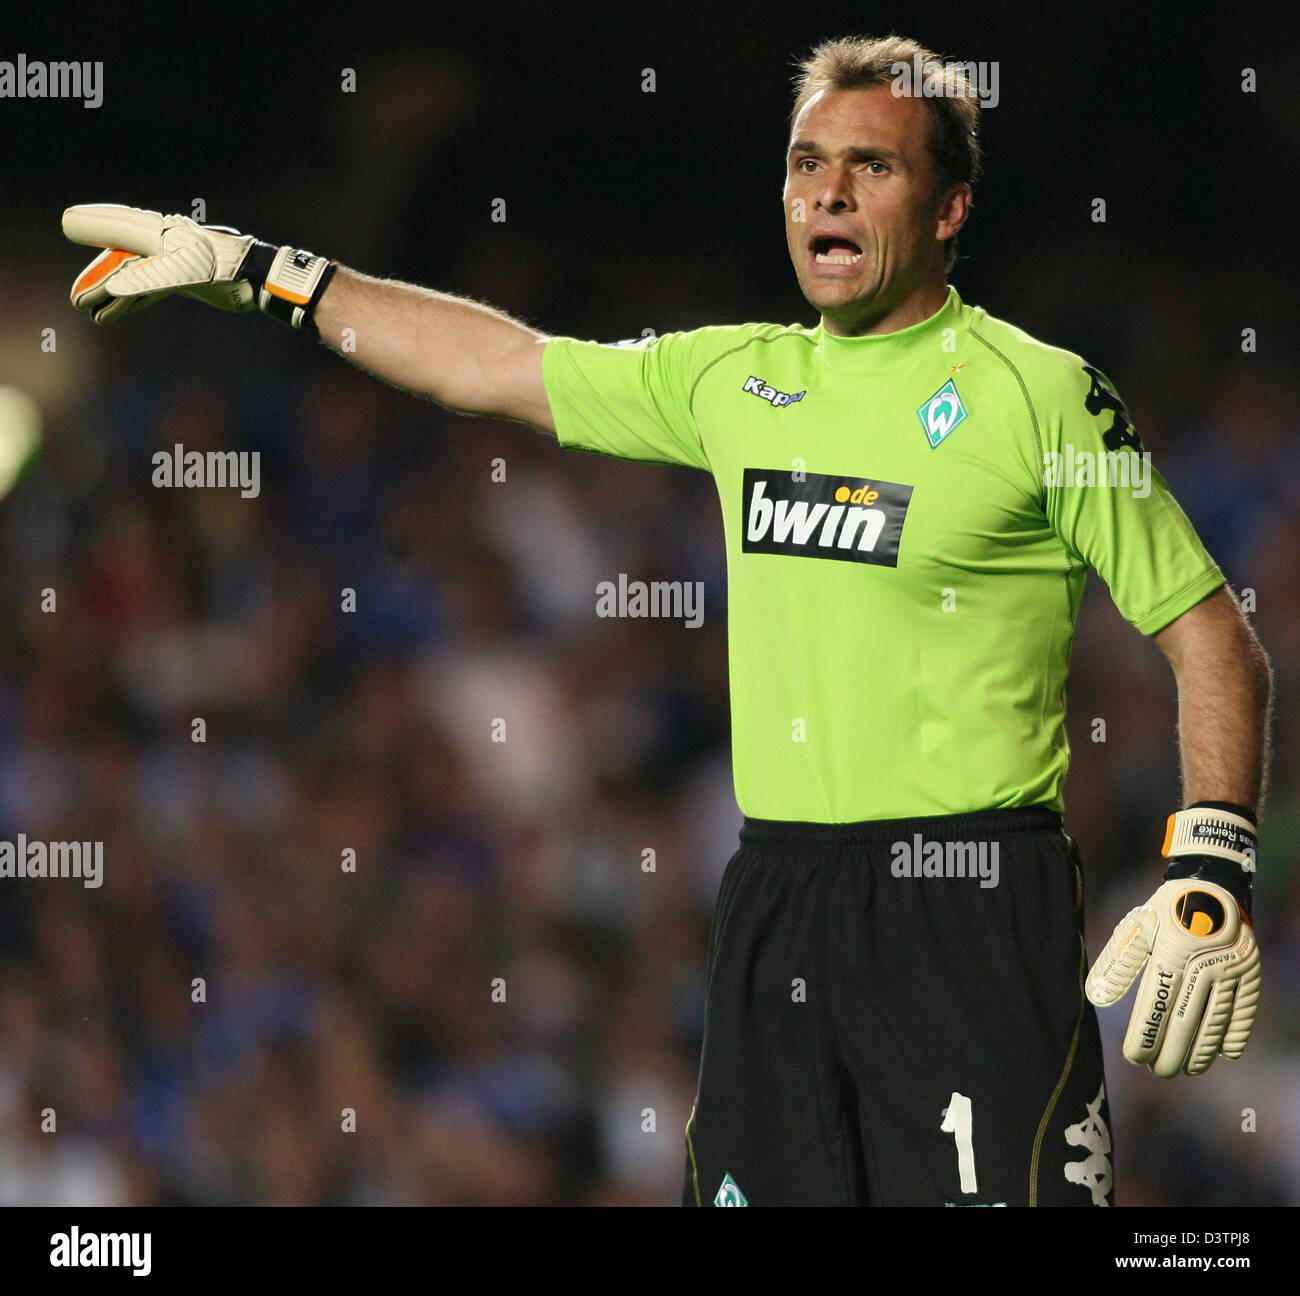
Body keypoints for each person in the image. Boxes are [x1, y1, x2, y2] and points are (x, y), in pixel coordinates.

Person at [63, 33, 1270, 1207]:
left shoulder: (1041, 395)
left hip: (967, 905)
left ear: (949, 209)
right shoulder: (732, 379)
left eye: (874, 165)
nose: (828, 192)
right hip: (775, 900)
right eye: (807, 164)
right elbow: (492, 365)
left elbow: (1210, 634)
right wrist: (260, 269)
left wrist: (1209, 861)